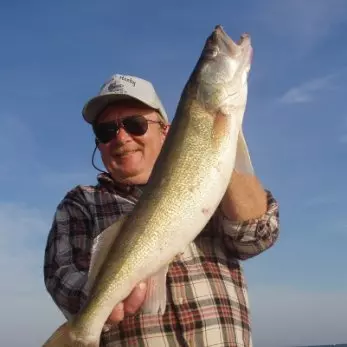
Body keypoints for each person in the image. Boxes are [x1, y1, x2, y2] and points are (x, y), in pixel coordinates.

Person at [44, 73, 280, 347]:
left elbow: (256, 237)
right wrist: (101, 300)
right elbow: (62, 277)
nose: (121, 137)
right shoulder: (81, 202)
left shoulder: (213, 182)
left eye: (136, 124)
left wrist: (220, 130)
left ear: (166, 131)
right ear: (98, 144)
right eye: (106, 131)